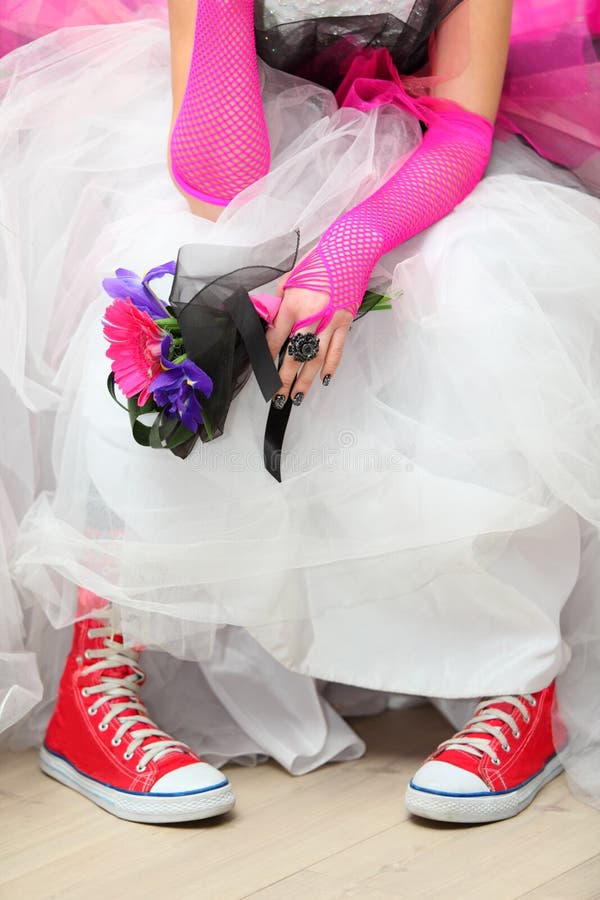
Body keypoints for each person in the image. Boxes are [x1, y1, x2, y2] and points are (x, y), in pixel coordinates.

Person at [3, 1, 600, 825]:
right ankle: (94, 687)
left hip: (419, 159)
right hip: (236, 150)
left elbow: (463, 131)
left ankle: (517, 681)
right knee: (167, 274)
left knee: (493, 279)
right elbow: (220, 184)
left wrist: (351, 246)